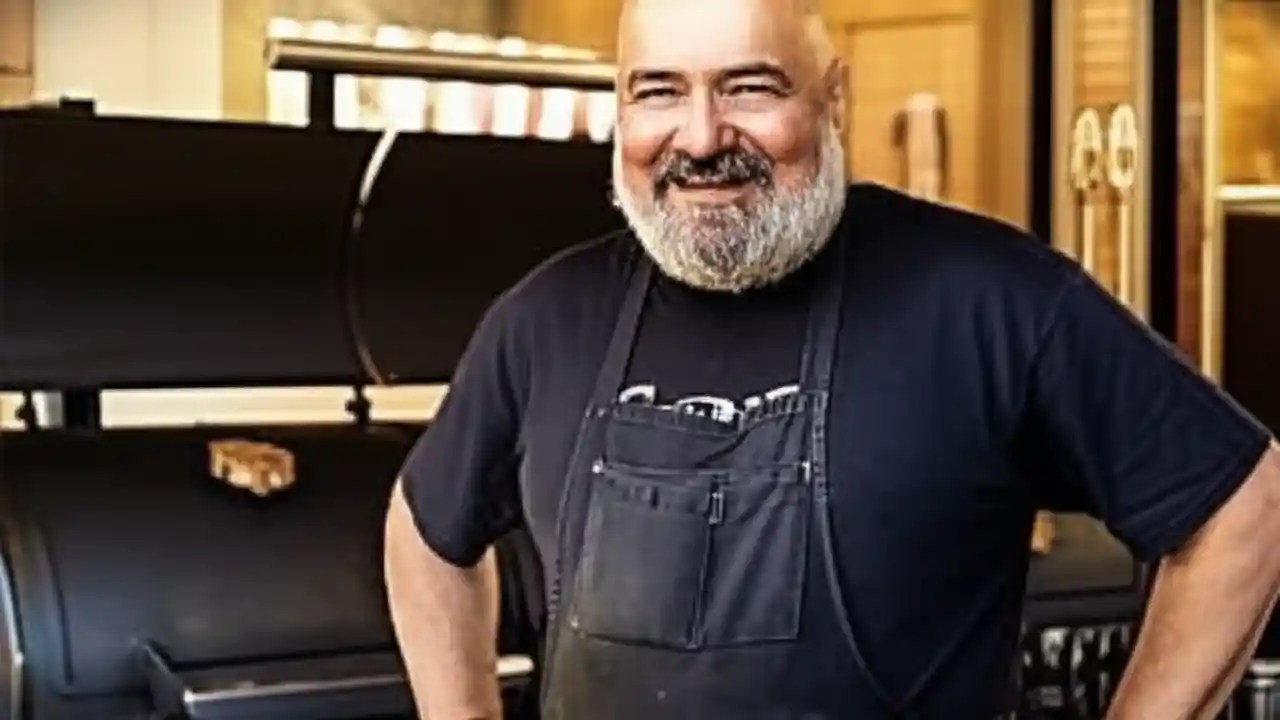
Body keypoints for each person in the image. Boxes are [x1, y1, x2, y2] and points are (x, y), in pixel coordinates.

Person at [383, 0, 1280, 717]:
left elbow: (1246, 503)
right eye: (658, 91)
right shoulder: (545, 319)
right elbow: (425, 532)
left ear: (833, 98)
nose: (701, 138)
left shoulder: (988, 299)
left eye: (748, 87)